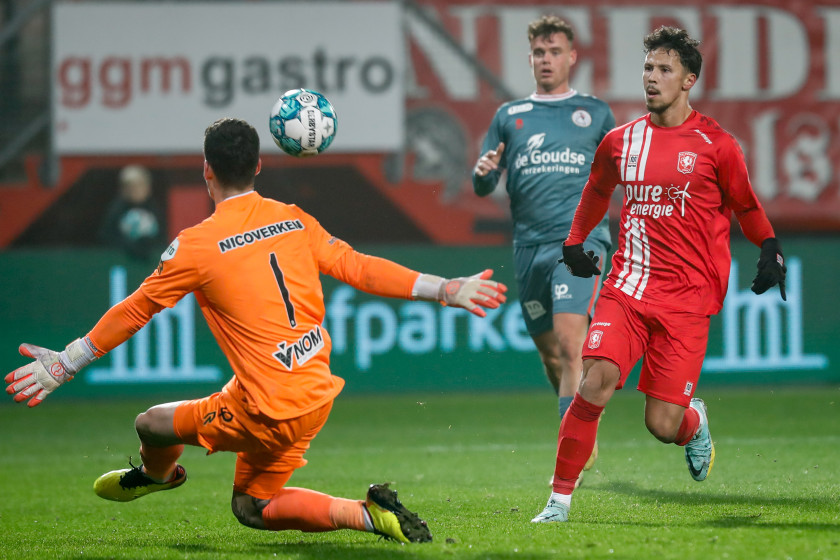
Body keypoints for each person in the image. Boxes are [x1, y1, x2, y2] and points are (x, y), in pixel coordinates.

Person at [5, 118, 508, 543]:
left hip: (267, 409)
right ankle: (370, 513)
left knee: (151, 425)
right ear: (259, 166)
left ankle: (157, 475)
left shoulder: (196, 246)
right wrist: (444, 287)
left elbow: (136, 311)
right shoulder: (293, 220)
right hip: (315, 392)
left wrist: (65, 363)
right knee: (251, 503)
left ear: (206, 170)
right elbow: (360, 268)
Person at [531, 26, 787, 523]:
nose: (652, 77)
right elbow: (597, 190)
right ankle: (558, 501)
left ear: (688, 79)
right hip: (627, 288)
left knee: (662, 423)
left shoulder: (717, 145)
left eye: (665, 69)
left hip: (688, 300)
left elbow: (747, 206)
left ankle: (694, 423)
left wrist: (770, 248)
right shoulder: (621, 141)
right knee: (594, 381)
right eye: (648, 67)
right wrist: (574, 241)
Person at [472, 15, 615, 481]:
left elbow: (619, 177)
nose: (546, 59)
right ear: (530, 57)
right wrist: (482, 173)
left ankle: (571, 445)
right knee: (553, 355)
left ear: (572, 56)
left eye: (555, 51)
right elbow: (483, 182)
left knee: (573, 345)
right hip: (528, 247)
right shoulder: (508, 117)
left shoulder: (595, 113)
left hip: (580, 241)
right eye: (539, 52)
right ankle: (579, 414)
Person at [99, 164, 166, 262]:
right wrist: (129, 246)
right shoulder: (116, 209)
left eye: (139, 185)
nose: (134, 190)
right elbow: (106, 236)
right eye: (129, 186)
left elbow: (162, 237)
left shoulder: (155, 209)